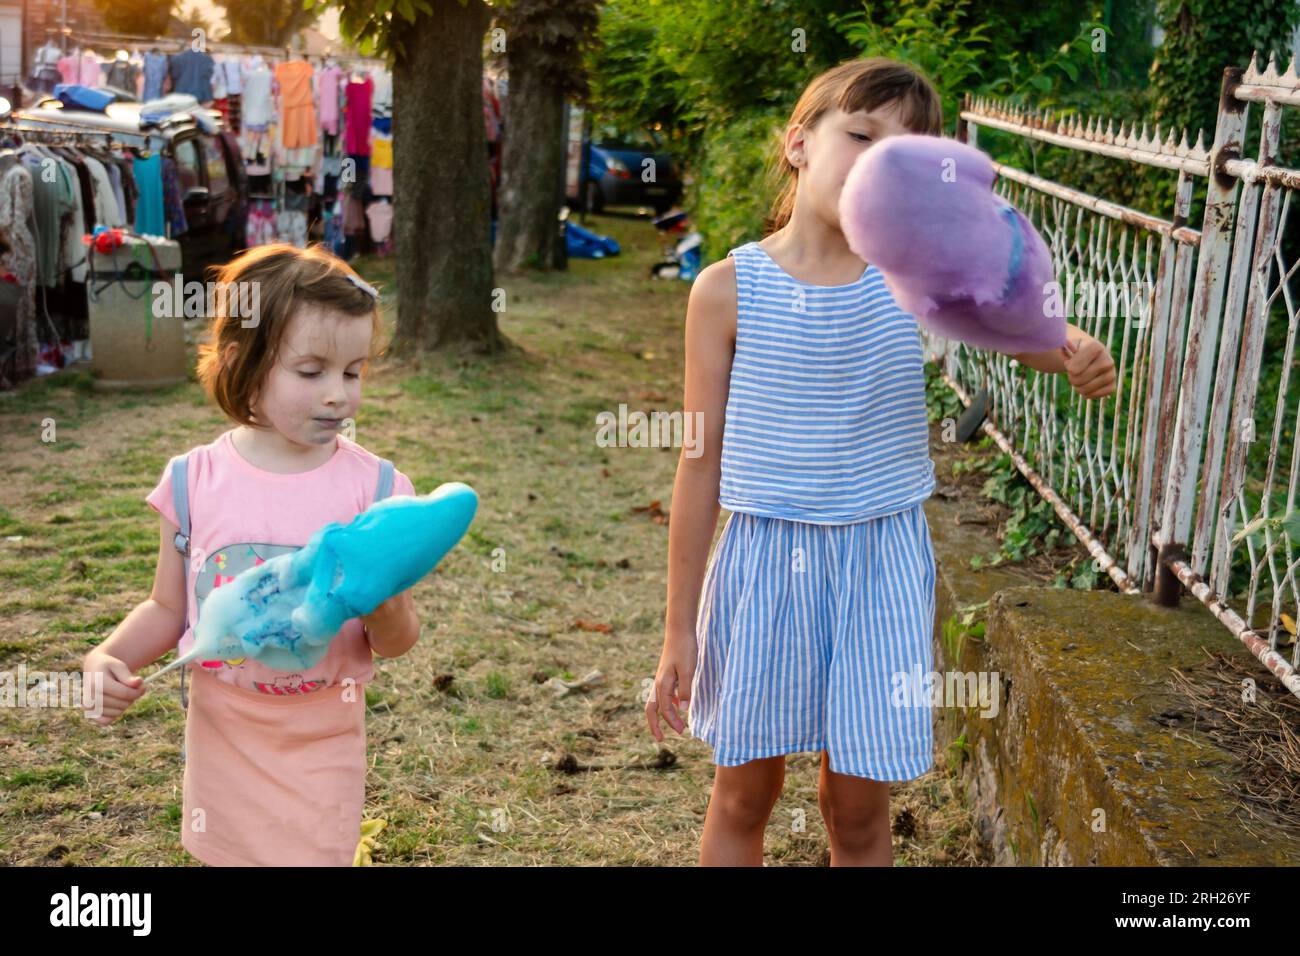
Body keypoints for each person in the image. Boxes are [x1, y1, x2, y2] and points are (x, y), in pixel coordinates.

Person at [645, 57, 1117, 867]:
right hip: (765, 566)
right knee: (742, 797)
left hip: (881, 567)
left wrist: (1072, 348)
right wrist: (677, 628)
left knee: (857, 810)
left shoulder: (918, 284)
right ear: (798, 144)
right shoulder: (726, 290)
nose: (875, 164)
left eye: (903, 155)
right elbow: (698, 464)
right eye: (859, 136)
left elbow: (1019, 327)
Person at [81, 244, 422, 866]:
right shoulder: (193, 482)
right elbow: (166, 606)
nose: (338, 395)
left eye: (353, 371)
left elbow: (396, 641)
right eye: (311, 370)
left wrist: (383, 600)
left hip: (322, 731)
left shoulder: (375, 493)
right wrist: (107, 656)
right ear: (245, 364)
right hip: (224, 731)